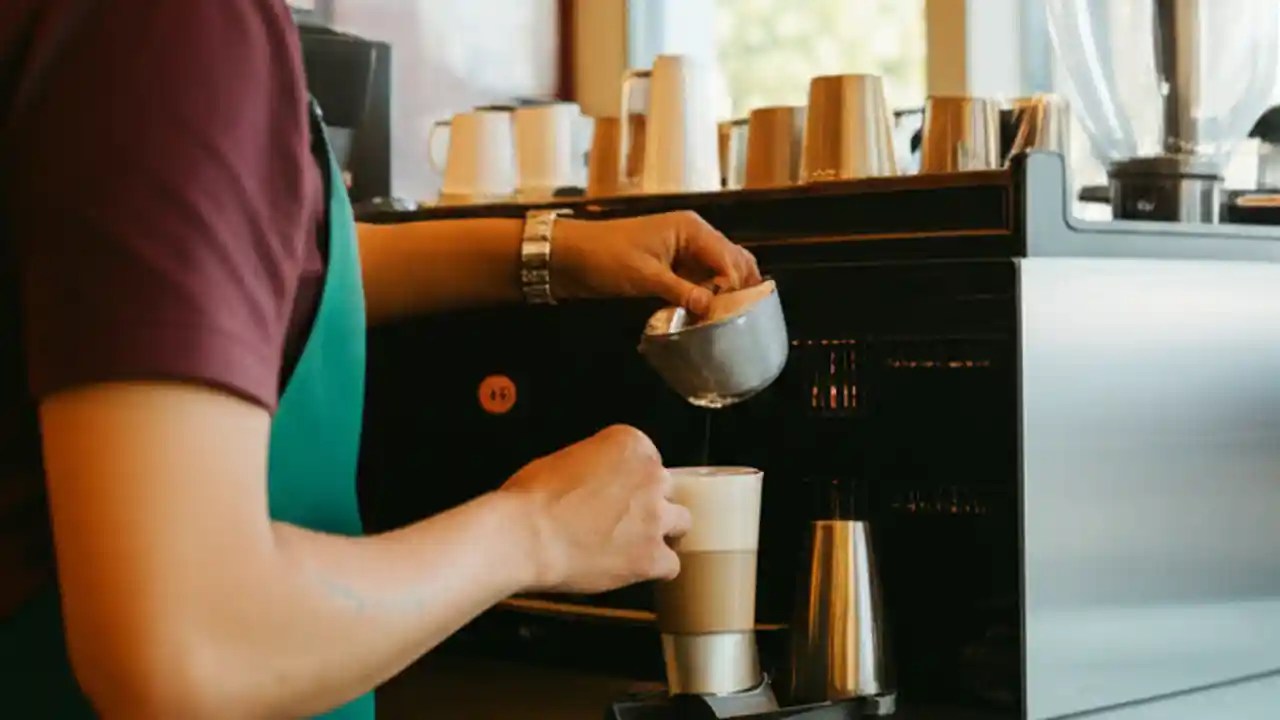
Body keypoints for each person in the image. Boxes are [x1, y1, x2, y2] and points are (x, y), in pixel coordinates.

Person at [0, 2, 761, 718]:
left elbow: (209, 271)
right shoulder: (169, 28)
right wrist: (538, 532)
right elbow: (193, 639)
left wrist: (551, 251)